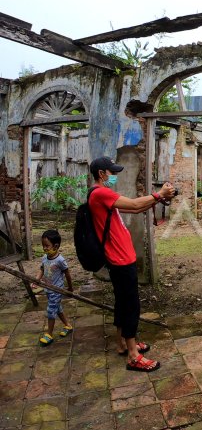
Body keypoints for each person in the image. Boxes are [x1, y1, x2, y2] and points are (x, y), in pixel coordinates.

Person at [89, 156, 175, 372]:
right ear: (102, 174)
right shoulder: (101, 193)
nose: (114, 176)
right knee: (130, 306)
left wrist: (158, 199)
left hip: (119, 257)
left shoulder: (99, 195)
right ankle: (133, 356)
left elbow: (136, 209)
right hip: (119, 259)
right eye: (112, 172)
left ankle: (123, 344)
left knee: (122, 303)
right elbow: (136, 203)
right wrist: (160, 194)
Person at [36, 229, 73, 346]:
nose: (45, 248)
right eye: (43, 246)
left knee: (51, 311)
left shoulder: (60, 260)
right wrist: (37, 279)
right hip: (48, 289)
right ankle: (68, 325)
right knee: (58, 308)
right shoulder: (45, 257)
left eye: (47, 246)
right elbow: (42, 269)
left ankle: (49, 334)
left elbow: (67, 273)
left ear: (56, 246)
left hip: (57, 290)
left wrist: (70, 288)